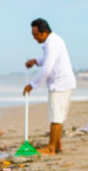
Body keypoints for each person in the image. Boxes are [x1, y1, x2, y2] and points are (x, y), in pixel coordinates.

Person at [23, 18, 76, 154]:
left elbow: (47, 68)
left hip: (59, 83)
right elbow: (48, 60)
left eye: (36, 35)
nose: (35, 38)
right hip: (66, 82)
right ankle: (58, 145)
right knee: (59, 116)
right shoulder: (54, 40)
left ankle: (51, 147)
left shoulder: (51, 44)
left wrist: (32, 85)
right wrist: (35, 61)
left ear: (44, 32)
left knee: (56, 117)